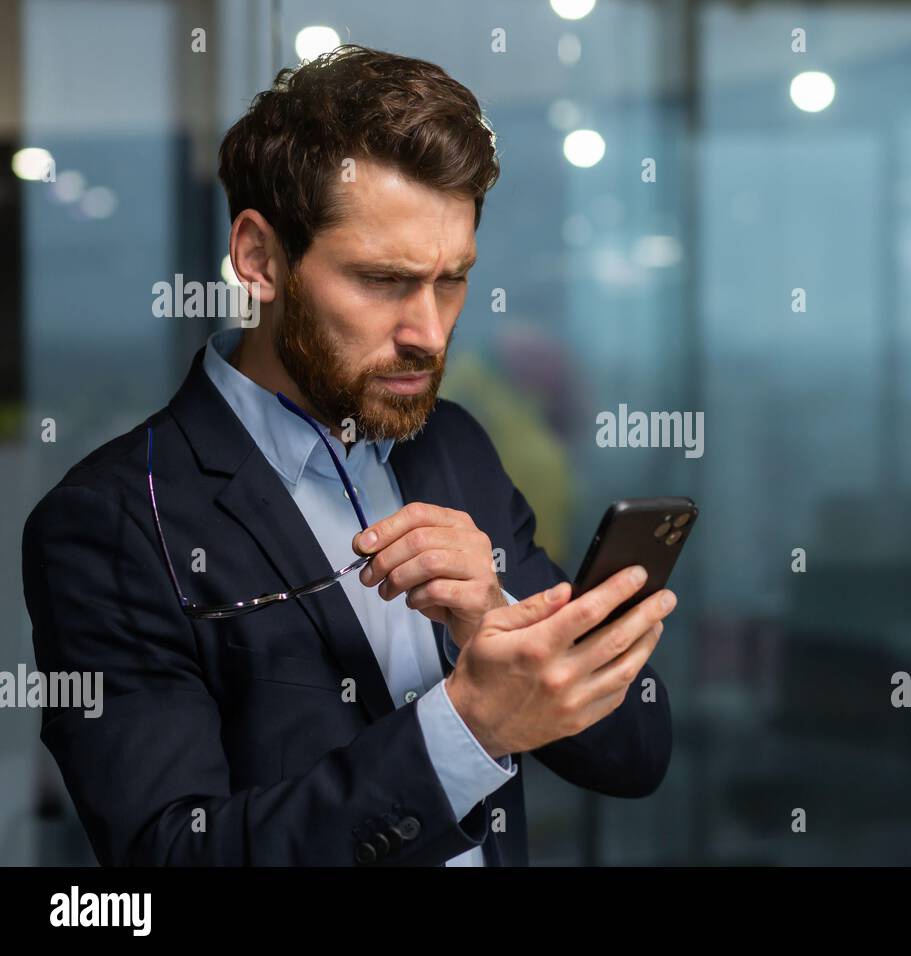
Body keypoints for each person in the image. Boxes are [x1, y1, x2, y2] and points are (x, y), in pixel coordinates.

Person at [21, 45, 674, 866]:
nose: (430, 334)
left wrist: (497, 622)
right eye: (381, 280)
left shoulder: (454, 445)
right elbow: (171, 858)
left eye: (452, 280)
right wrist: (468, 727)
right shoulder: (113, 520)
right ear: (259, 259)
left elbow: (636, 756)